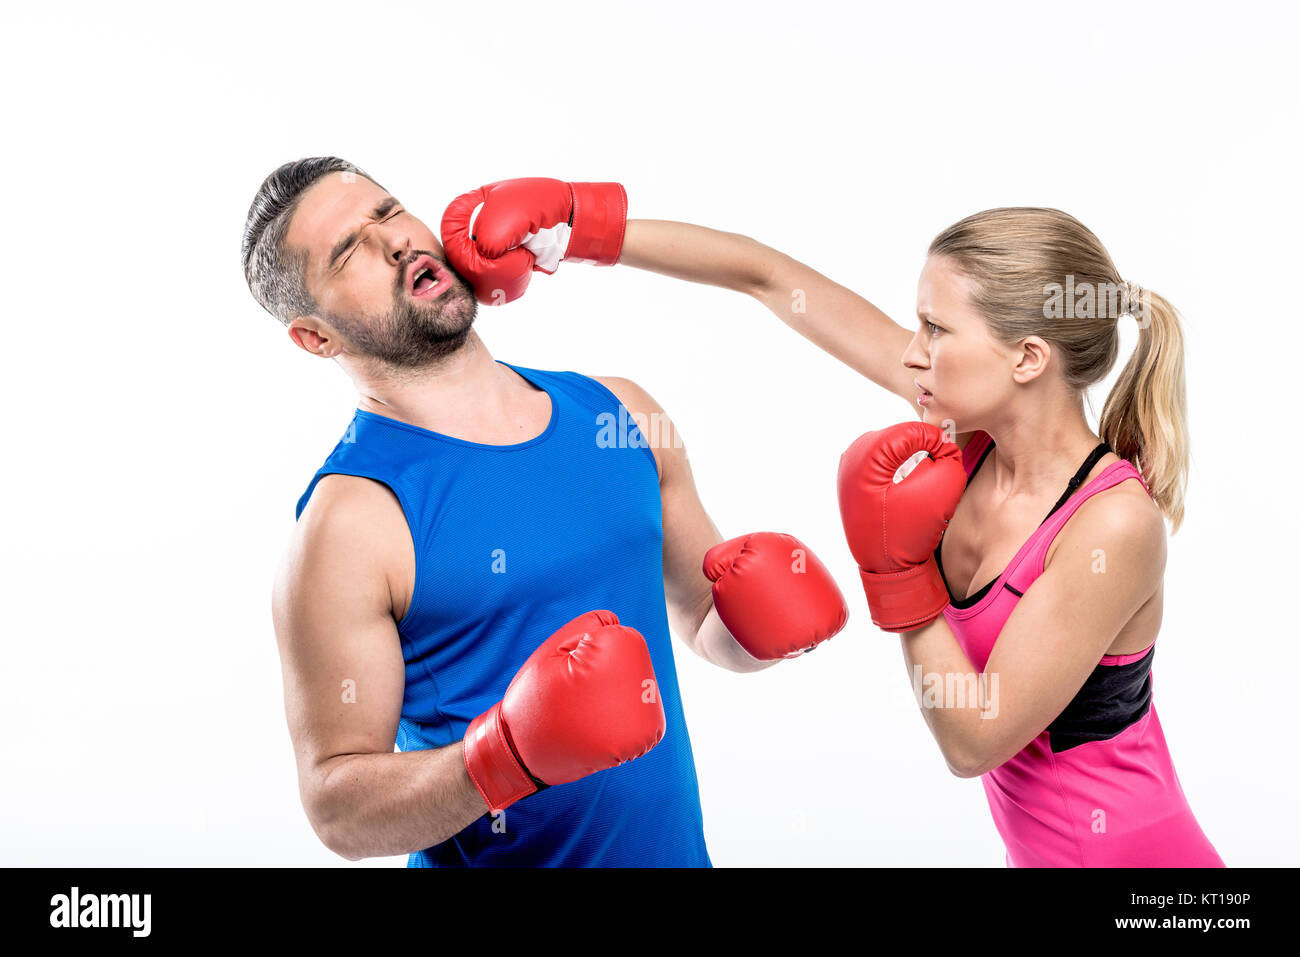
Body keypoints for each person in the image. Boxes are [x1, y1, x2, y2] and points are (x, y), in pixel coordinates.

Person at [451, 187, 1220, 867]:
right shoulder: (967, 431)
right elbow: (769, 277)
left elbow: (974, 739)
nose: (911, 353)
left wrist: (899, 573)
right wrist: (578, 225)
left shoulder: (1112, 524)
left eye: (934, 329)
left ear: (1026, 357)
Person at [241, 159, 848, 867]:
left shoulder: (619, 413)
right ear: (317, 336)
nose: (396, 242)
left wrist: (759, 626)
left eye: (388, 212)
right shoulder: (351, 518)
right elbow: (337, 807)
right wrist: (504, 754)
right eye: (349, 250)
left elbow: (704, 625)